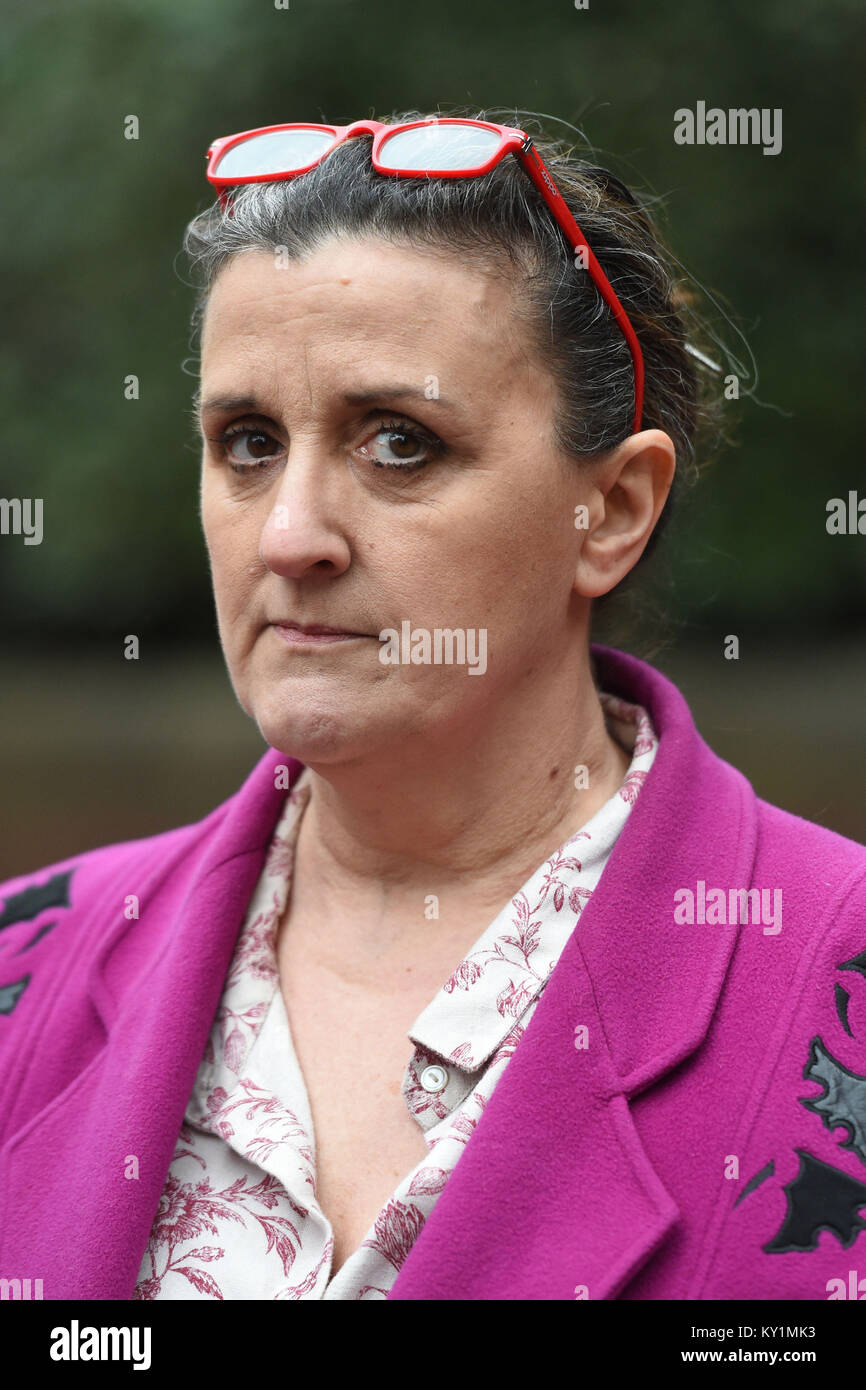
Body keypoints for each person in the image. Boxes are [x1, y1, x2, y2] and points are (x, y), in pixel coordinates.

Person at [1, 110, 864, 1303]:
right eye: (246, 442)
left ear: (608, 510)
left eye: (398, 442)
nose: (290, 534)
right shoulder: (20, 967)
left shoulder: (837, 983)